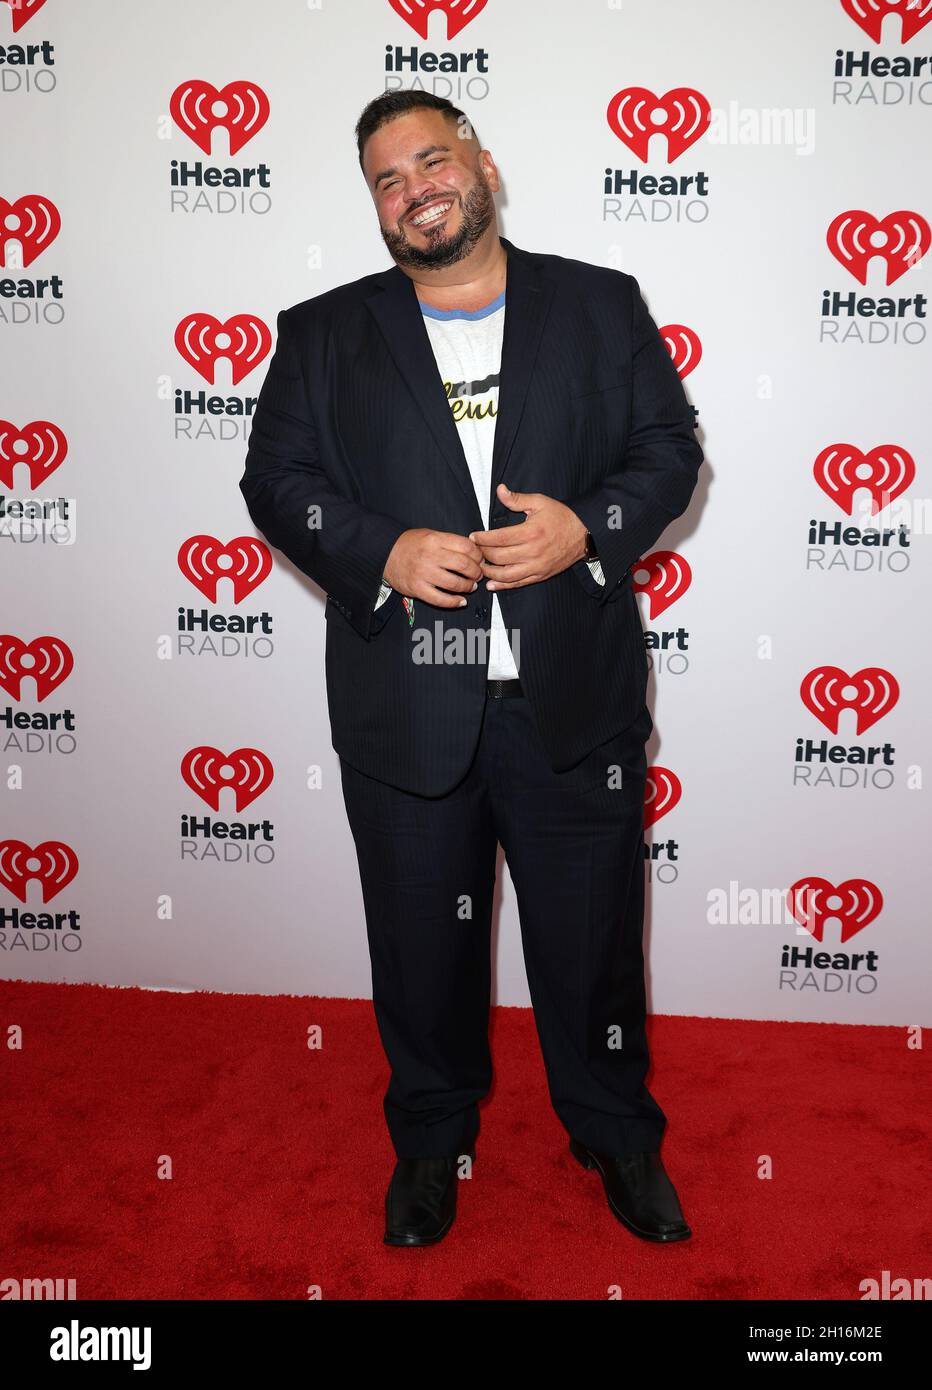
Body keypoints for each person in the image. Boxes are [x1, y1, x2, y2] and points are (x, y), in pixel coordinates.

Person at [239, 89, 704, 1248]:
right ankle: (431, 1142)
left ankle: (614, 1132)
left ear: (482, 164)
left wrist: (587, 525)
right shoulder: (322, 330)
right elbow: (276, 482)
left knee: (591, 946)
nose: (414, 191)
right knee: (418, 947)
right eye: (387, 180)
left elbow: (665, 452)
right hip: (407, 705)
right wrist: (378, 548)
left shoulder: (598, 304)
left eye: (430, 161)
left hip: (570, 704)